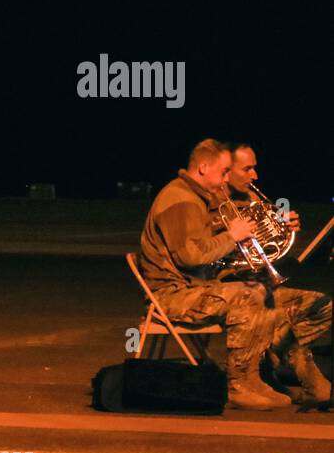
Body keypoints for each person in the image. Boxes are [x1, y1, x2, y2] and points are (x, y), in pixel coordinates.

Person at [139, 139, 299, 409]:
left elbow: (205, 246)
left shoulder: (197, 197)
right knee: (247, 296)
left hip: (193, 288)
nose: (227, 178)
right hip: (172, 296)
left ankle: (252, 378)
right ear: (203, 167)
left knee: (259, 290)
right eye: (224, 171)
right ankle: (237, 384)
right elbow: (190, 256)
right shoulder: (181, 199)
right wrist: (232, 236)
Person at [221, 143, 331, 403]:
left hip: (261, 285)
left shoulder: (254, 200)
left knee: (323, 305)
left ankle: (279, 346)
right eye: (247, 168)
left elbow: (272, 250)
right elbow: (207, 258)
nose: (255, 176)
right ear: (226, 171)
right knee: (265, 305)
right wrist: (235, 239)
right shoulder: (213, 207)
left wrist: (287, 229)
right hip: (233, 288)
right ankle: (283, 367)